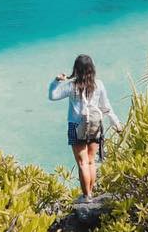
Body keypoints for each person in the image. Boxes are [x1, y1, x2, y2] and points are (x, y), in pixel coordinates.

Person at [48, 55, 122, 201]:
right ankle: (91, 194)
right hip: (96, 124)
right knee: (91, 161)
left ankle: (86, 196)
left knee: (82, 162)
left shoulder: (71, 86)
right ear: (92, 69)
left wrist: (56, 81)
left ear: (76, 69)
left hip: (76, 125)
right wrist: (117, 124)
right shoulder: (99, 84)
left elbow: (53, 96)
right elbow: (106, 108)